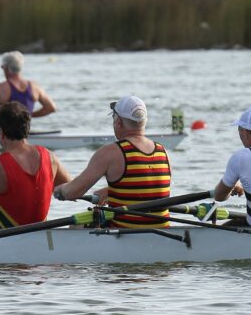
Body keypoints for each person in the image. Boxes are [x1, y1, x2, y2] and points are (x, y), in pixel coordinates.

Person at [54, 96, 172, 228]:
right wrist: (111, 191)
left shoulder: (111, 152)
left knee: (75, 227)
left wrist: (61, 190)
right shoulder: (162, 152)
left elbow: (73, 193)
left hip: (126, 232)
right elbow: (150, 189)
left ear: (118, 122)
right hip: (163, 230)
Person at [0, 102, 71, 227]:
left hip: (6, 234)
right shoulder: (50, 157)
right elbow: (72, 190)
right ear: (27, 128)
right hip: (40, 232)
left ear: (1, 133)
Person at [0, 51, 55, 124]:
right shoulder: (34, 87)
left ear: (5, 67)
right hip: (24, 130)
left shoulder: (0, 88)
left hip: (4, 131)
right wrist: (29, 115)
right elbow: (51, 108)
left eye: (2, 67)